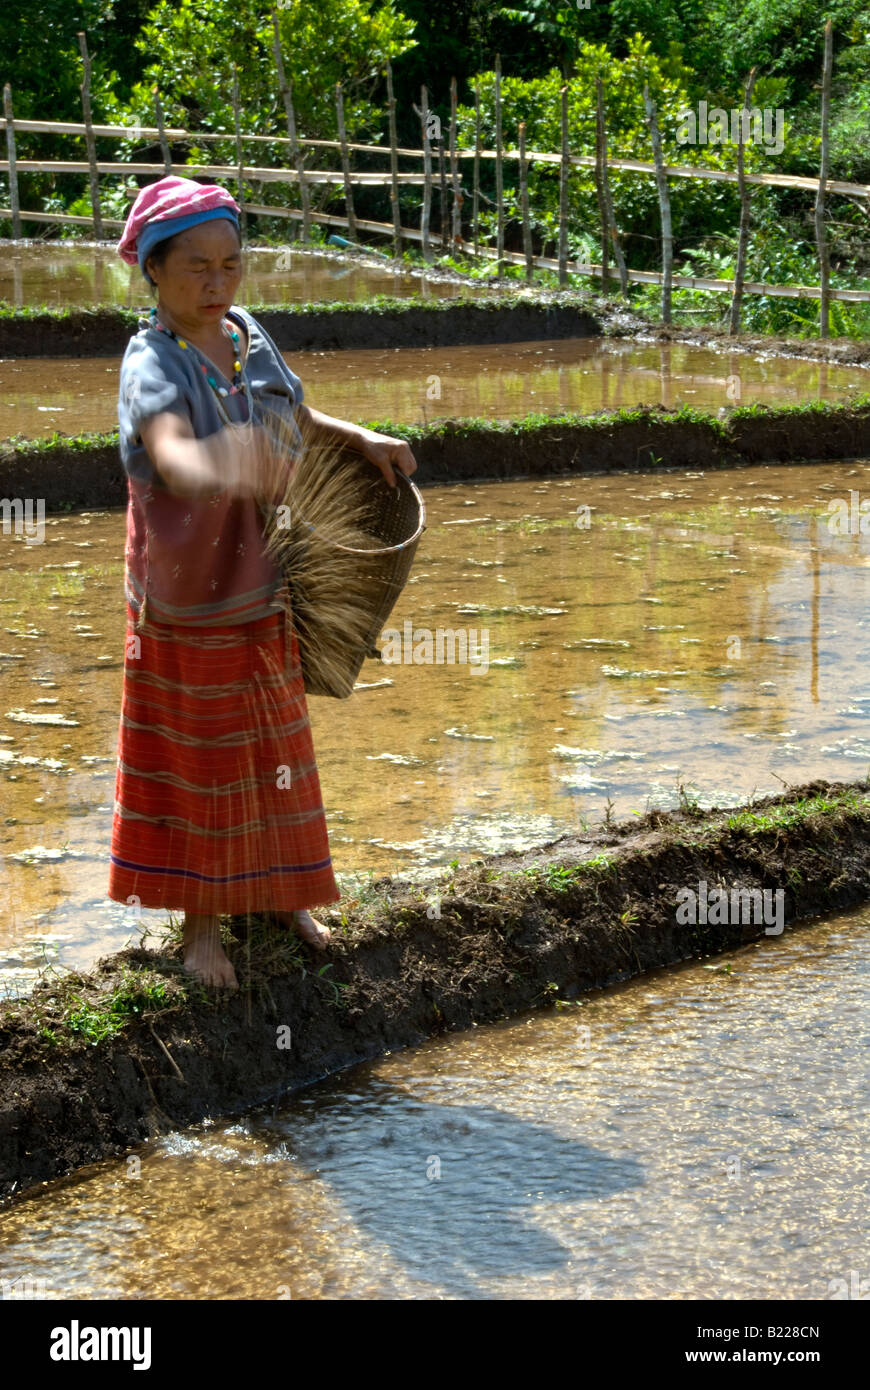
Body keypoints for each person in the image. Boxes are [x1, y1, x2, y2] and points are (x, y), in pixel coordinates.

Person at [108, 175, 417, 989]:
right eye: (195, 271)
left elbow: (297, 418)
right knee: (201, 755)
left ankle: (287, 895)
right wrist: (229, 462)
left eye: (231, 266)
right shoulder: (152, 361)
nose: (216, 286)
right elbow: (170, 454)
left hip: (265, 575)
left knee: (276, 740)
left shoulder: (246, 335)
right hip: (188, 594)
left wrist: (362, 437)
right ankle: (202, 928)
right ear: (153, 272)